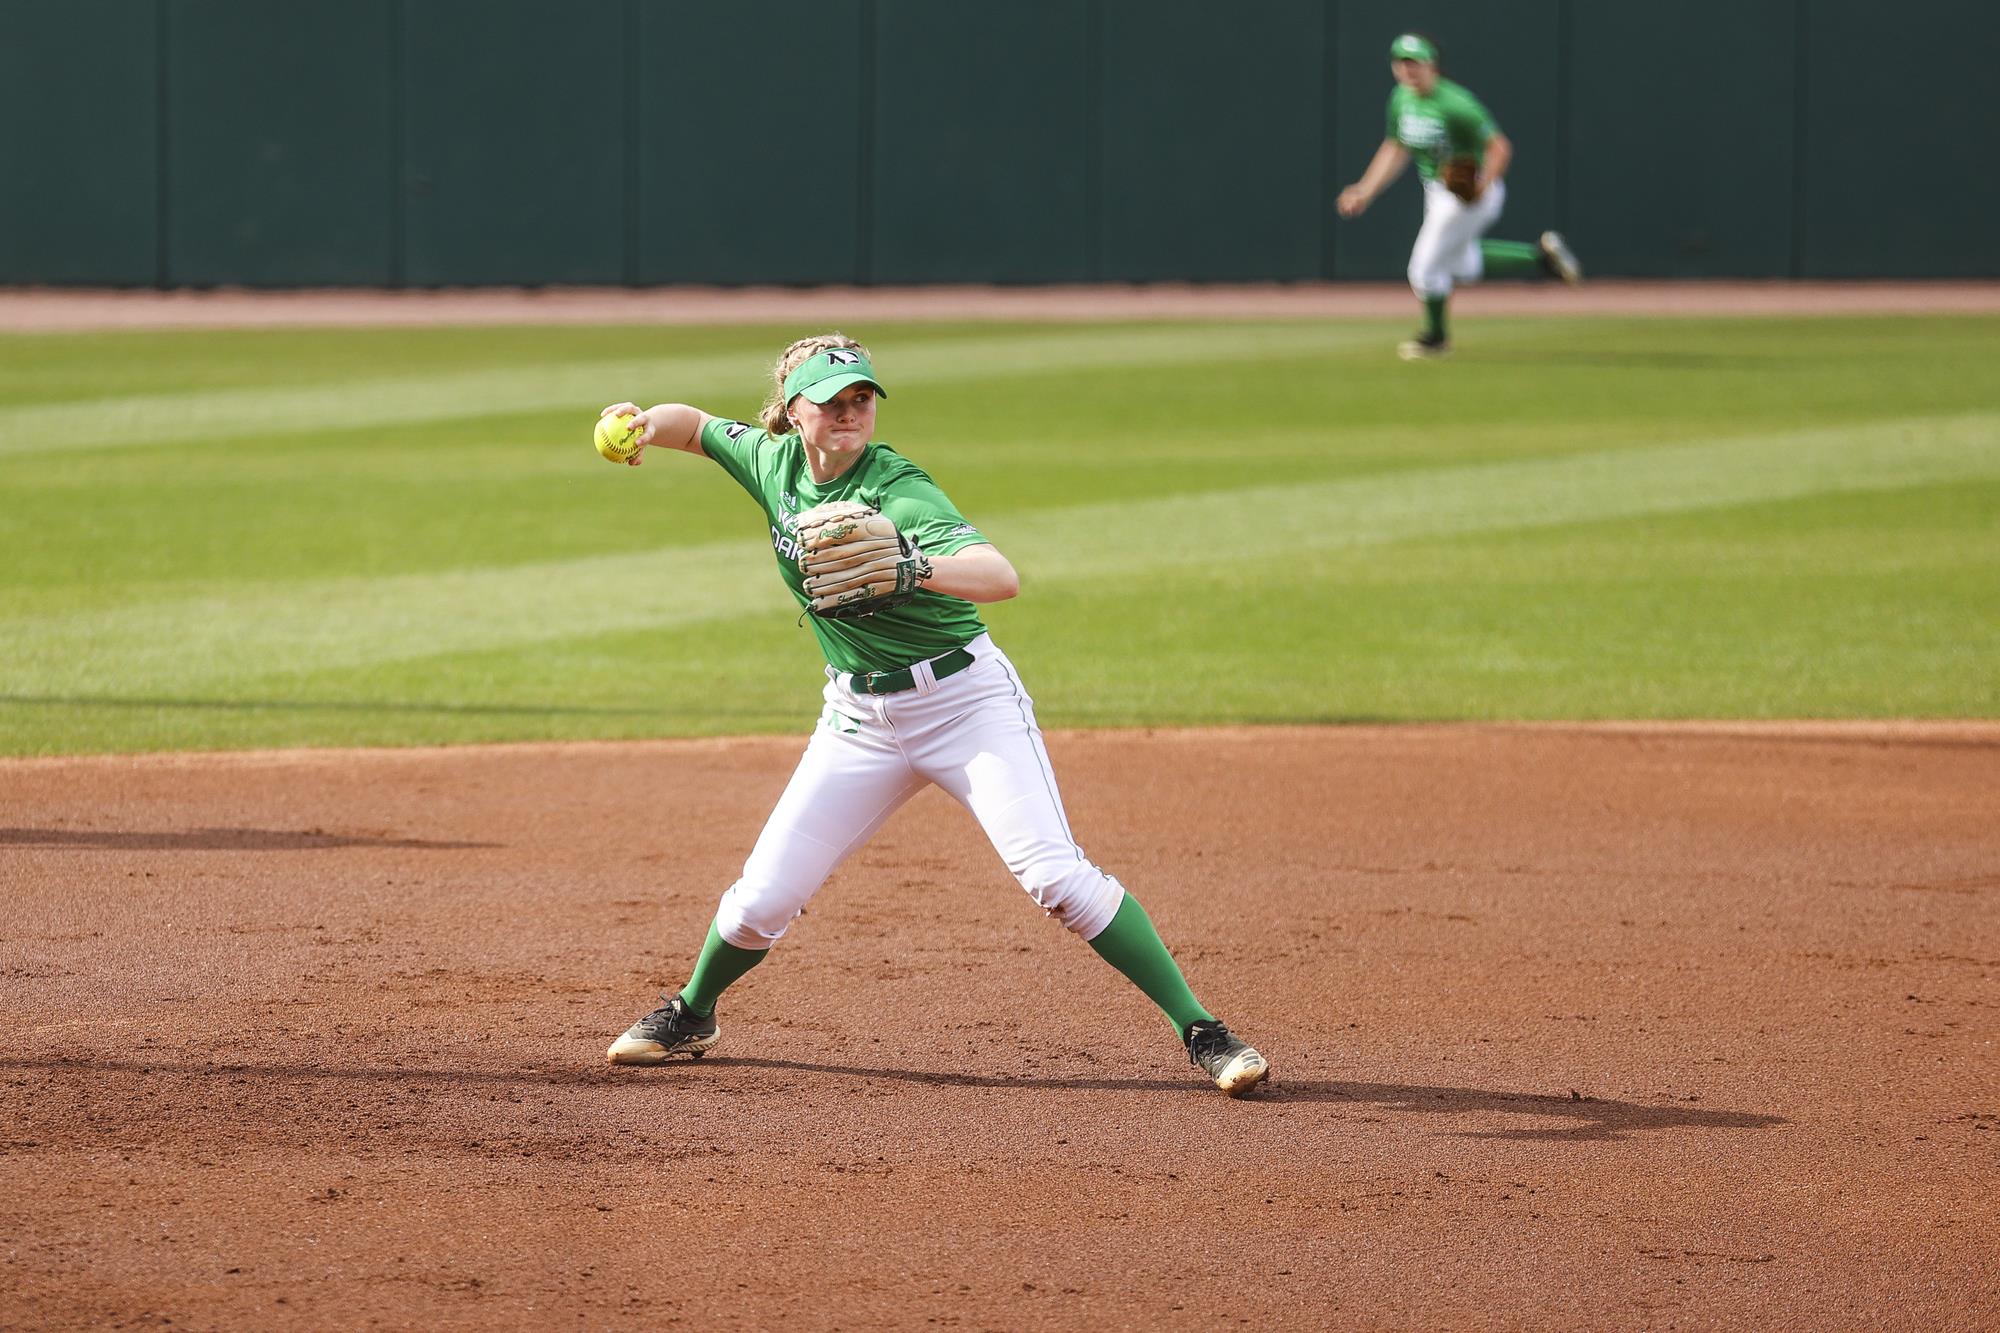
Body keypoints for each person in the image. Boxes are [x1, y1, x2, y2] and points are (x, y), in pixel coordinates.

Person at [595, 333, 1271, 1097]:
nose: (850, 413)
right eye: (832, 401)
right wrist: (646, 421)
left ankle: (1203, 1029)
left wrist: (914, 564)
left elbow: (1000, 576)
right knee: (760, 900)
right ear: (794, 411)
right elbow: (697, 425)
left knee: (1056, 877)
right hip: (857, 716)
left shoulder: (899, 487)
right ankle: (694, 1011)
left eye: (862, 399)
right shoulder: (771, 462)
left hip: (965, 705)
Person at [1336, 31, 1582, 360]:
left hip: (1466, 195)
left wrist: (1482, 185)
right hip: (1436, 191)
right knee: (1461, 263)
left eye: (1415, 63)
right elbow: (1396, 147)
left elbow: (1499, 147)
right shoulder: (1401, 99)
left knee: (1423, 269)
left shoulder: (1456, 103)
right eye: (1401, 63)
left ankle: (1434, 338)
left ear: (1432, 65)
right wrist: (1365, 189)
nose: (1408, 70)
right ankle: (1540, 258)